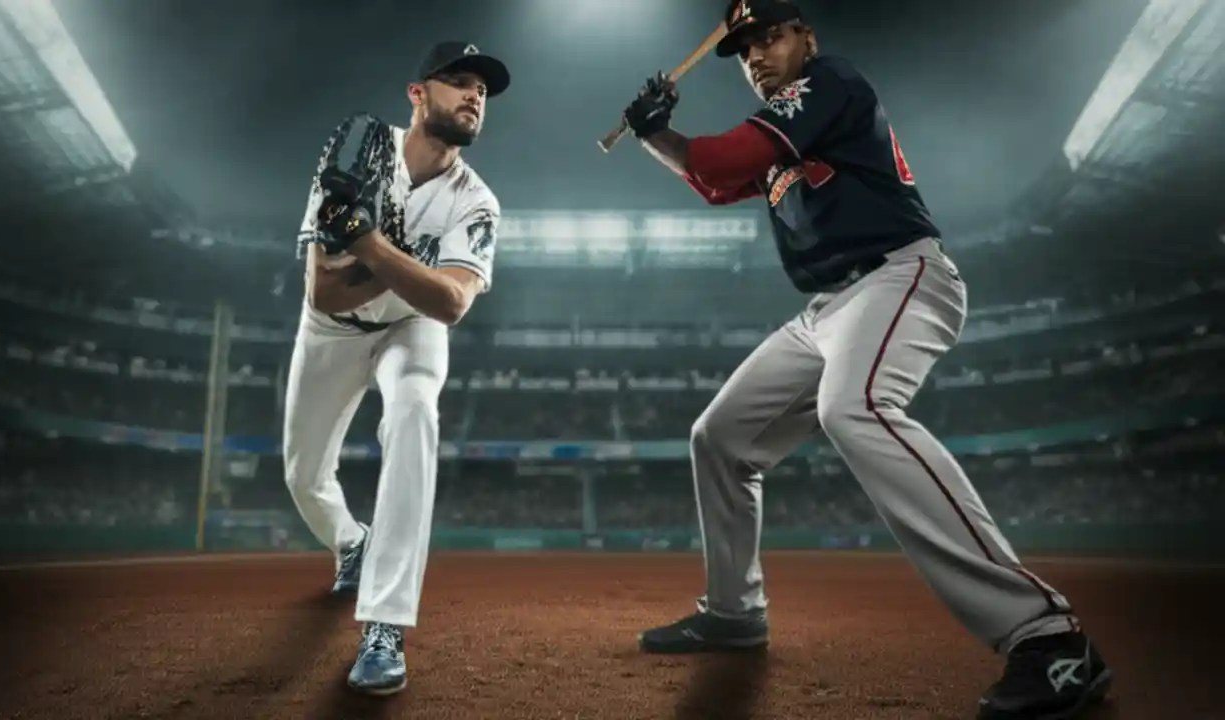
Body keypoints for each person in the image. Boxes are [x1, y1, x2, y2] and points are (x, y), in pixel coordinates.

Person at [619, 2, 1110, 718]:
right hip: (828, 310)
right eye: (744, 47)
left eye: (770, 35)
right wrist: (653, 136)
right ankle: (733, 612)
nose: (755, 53)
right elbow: (718, 183)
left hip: (899, 275)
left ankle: (1049, 638)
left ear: (807, 38)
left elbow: (724, 159)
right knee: (720, 438)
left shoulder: (829, 84)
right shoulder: (789, 128)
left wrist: (655, 128)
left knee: (854, 409)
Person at [282, 40, 508, 696]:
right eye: (459, 81)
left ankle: (385, 623)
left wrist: (367, 244)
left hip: (413, 330)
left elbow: (452, 301)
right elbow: (323, 293)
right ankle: (352, 542)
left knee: (414, 411)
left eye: (483, 91)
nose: (474, 96)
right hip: (330, 331)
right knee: (303, 475)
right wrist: (402, 267)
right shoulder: (356, 149)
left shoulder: (478, 202)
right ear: (418, 94)